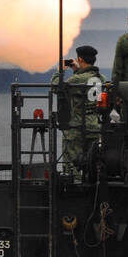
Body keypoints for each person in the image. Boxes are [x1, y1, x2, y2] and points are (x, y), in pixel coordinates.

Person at [50, 45, 104, 180]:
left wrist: (59, 72)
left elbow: (56, 87)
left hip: (78, 126)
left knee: (72, 162)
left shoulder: (78, 79)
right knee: (93, 159)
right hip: (96, 125)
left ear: (80, 59)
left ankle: (74, 184)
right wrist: (77, 70)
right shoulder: (101, 78)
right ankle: (92, 182)